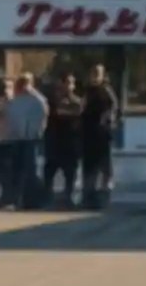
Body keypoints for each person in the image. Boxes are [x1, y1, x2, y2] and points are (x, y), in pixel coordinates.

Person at [0, 73, 47, 210]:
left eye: (26, 83)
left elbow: (42, 117)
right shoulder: (14, 101)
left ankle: (31, 200)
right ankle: (14, 199)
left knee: (29, 170)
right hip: (15, 139)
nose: (23, 86)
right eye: (21, 83)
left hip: (30, 139)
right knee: (15, 171)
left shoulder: (37, 100)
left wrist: (36, 132)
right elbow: (5, 116)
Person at [80, 63, 119, 209]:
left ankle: (104, 197)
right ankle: (88, 197)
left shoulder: (106, 91)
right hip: (88, 136)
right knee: (89, 168)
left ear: (103, 76)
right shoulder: (87, 92)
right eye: (93, 73)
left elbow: (113, 109)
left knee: (104, 168)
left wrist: (108, 121)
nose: (95, 76)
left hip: (102, 136)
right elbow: (82, 110)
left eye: (98, 73)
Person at [43, 73, 83, 208]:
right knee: (49, 172)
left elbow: (79, 119)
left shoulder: (77, 102)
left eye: (71, 83)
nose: (68, 86)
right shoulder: (51, 101)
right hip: (54, 141)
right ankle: (47, 197)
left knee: (70, 174)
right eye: (66, 83)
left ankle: (68, 198)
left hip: (70, 142)